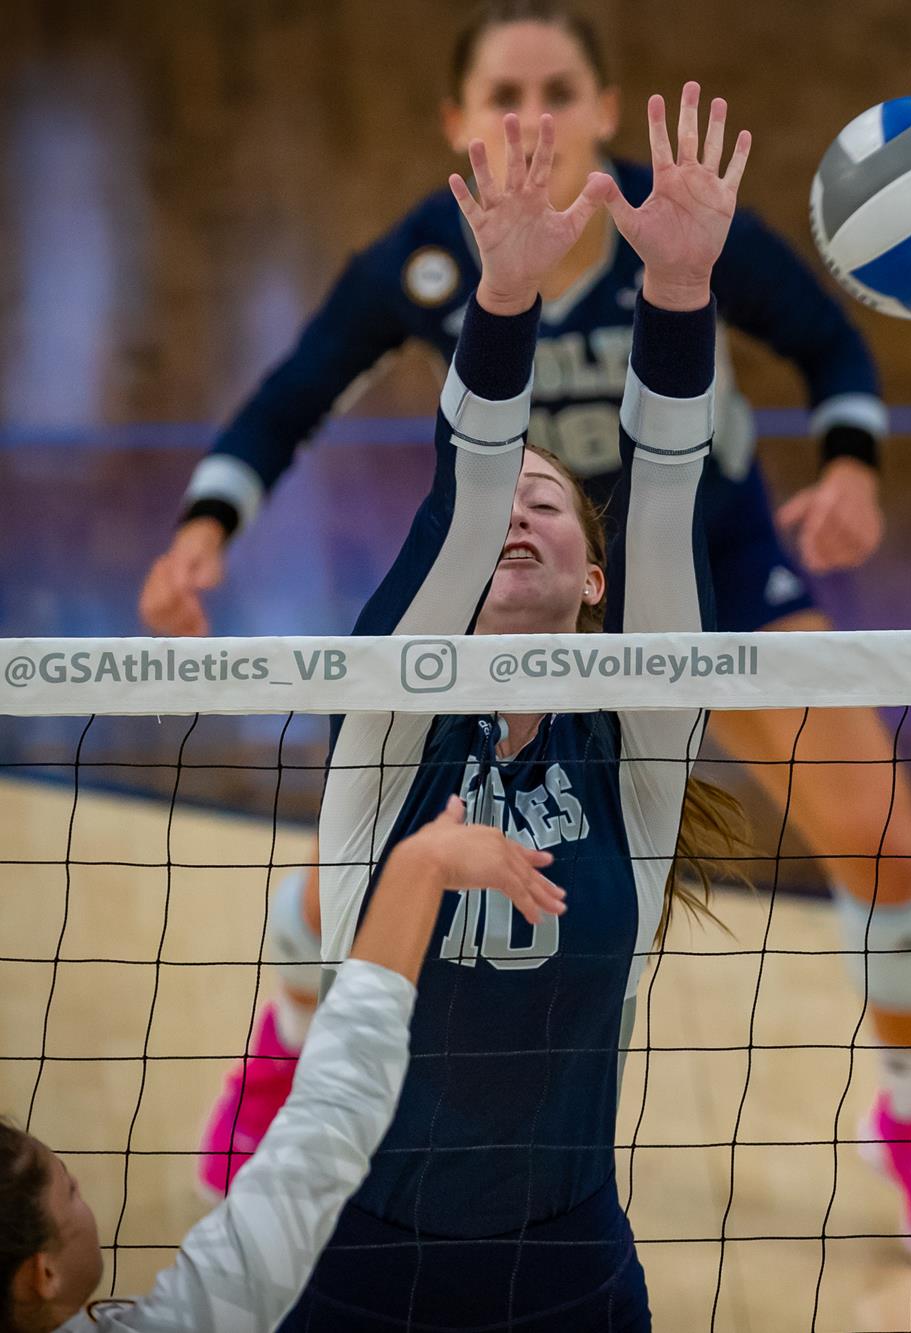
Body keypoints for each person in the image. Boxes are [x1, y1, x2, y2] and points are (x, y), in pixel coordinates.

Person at [148, 0, 911, 1270]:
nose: (530, 118)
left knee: (883, 844)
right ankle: (283, 1049)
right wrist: (205, 529)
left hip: (709, 584)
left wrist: (855, 465)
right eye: (501, 95)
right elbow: (289, 397)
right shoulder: (433, 252)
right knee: (350, 884)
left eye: (557, 91)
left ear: (606, 108)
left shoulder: (679, 212)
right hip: (491, 608)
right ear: (455, 122)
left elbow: (829, 344)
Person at [257, 89, 745, 1328]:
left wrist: (679, 296)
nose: (523, 505)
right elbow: (466, 493)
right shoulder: (387, 720)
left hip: (568, 1271)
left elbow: (671, 505)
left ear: (596, 582)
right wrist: (506, 299)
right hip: (356, 1260)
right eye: (507, 496)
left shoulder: (634, 745)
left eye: (555, 503)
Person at [3, 798, 566, 1333]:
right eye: (71, 1191)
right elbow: (334, 1093)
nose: (83, 1198)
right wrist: (418, 861)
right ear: (41, 1275)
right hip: (275, 1163)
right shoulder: (195, 1306)